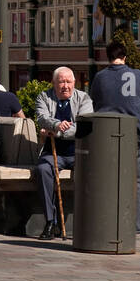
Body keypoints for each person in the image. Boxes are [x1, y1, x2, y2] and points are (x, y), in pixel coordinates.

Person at [89, 41, 140, 235]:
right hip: (137, 134)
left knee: (110, 178)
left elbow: (94, 99)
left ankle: (109, 219)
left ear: (107, 57)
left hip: (107, 134)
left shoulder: (99, 78)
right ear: (125, 57)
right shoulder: (137, 76)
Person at [34, 68, 93, 238]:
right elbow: (42, 117)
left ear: (75, 83)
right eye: (61, 82)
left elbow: (84, 126)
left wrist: (58, 131)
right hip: (54, 152)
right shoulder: (44, 97)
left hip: (79, 152)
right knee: (43, 170)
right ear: (54, 83)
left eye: (69, 82)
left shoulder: (84, 98)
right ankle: (50, 221)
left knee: (93, 171)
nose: (65, 86)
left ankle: (87, 221)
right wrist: (57, 124)